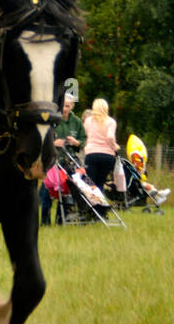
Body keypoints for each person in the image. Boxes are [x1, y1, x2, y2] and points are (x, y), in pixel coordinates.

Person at [40, 92, 86, 225]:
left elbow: (83, 139)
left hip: (68, 161)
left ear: (72, 106)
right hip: (51, 161)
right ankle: (45, 221)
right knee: (46, 192)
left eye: (68, 106)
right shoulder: (52, 120)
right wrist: (54, 143)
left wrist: (76, 142)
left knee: (66, 193)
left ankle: (61, 220)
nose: (65, 109)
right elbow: (42, 139)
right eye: (63, 106)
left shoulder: (76, 122)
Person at [83, 97, 119, 194]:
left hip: (91, 153)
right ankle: (99, 206)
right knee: (100, 182)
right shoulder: (111, 122)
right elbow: (110, 137)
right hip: (107, 155)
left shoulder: (88, 121)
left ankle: (91, 206)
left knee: (90, 183)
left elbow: (85, 136)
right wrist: (114, 146)